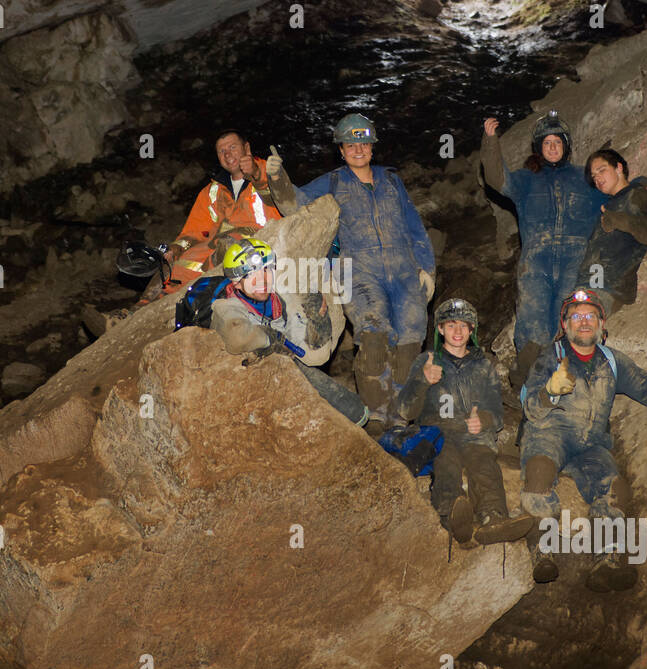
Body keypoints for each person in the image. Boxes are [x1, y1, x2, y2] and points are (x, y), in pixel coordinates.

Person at [519, 288, 647, 591]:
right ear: (565, 325)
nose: (584, 322)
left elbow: (645, 387)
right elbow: (529, 407)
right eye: (576, 316)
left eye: (591, 316)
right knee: (540, 471)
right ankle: (543, 551)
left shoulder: (612, 361)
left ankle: (607, 561)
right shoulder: (549, 358)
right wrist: (550, 391)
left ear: (601, 324)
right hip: (549, 434)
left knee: (616, 487)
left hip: (591, 444)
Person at [267, 113, 434, 432]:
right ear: (340, 150)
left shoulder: (392, 180)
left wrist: (428, 268)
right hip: (356, 271)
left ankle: (403, 418)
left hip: (404, 272)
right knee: (373, 340)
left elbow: (415, 227)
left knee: (410, 343)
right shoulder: (330, 183)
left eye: (364, 143)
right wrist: (278, 179)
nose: (358, 149)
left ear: (372, 146)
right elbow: (296, 206)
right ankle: (375, 418)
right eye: (350, 144)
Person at [480, 111, 647, 396]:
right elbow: (496, 179)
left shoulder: (583, 179)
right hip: (535, 264)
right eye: (547, 142)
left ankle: (565, 391)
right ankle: (527, 390)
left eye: (557, 142)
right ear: (539, 147)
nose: (552, 147)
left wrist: (644, 183)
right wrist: (491, 143)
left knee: (565, 323)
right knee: (531, 324)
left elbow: (616, 188)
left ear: (566, 146)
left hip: (575, 264)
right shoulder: (526, 180)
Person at [397, 298, 536, 545]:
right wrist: (421, 380)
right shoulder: (426, 361)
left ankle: (493, 519)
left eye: (464, 325)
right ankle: (453, 517)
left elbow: (495, 411)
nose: (458, 331)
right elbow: (406, 409)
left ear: (472, 330)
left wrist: (483, 419)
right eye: (451, 325)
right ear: (440, 329)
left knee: (483, 463)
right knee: (446, 463)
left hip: (474, 436)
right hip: (438, 433)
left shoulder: (484, 367)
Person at [210, 237, 369, 427]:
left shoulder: (282, 297)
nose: (262, 280)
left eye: (266, 270)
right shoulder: (225, 307)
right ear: (236, 283)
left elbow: (315, 357)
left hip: (287, 363)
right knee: (287, 366)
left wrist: (316, 323)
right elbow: (238, 337)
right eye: (251, 275)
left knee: (308, 369)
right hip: (247, 385)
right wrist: (271, 337)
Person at [138, 130, 284, 303]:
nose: (227, 154)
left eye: (232, 147)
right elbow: (195, 231)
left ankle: (184, 299)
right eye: (222, 151)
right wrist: (177, 248)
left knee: (227, 242)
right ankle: (138, 308)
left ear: (247, 148)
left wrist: (256, 174)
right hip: (216, 248)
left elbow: (281, 200)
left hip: (256, 247)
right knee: (173, 260)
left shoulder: (269, 172)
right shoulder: (212, 191)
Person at [576, 148, 647, 316]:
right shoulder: (606, 204)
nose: (597, 178)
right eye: (594, 176)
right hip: (588, 284)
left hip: (609, 286)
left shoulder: (635, 194)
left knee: (580, 322)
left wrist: (622, 221)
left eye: (601, 170)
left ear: (619, 168)